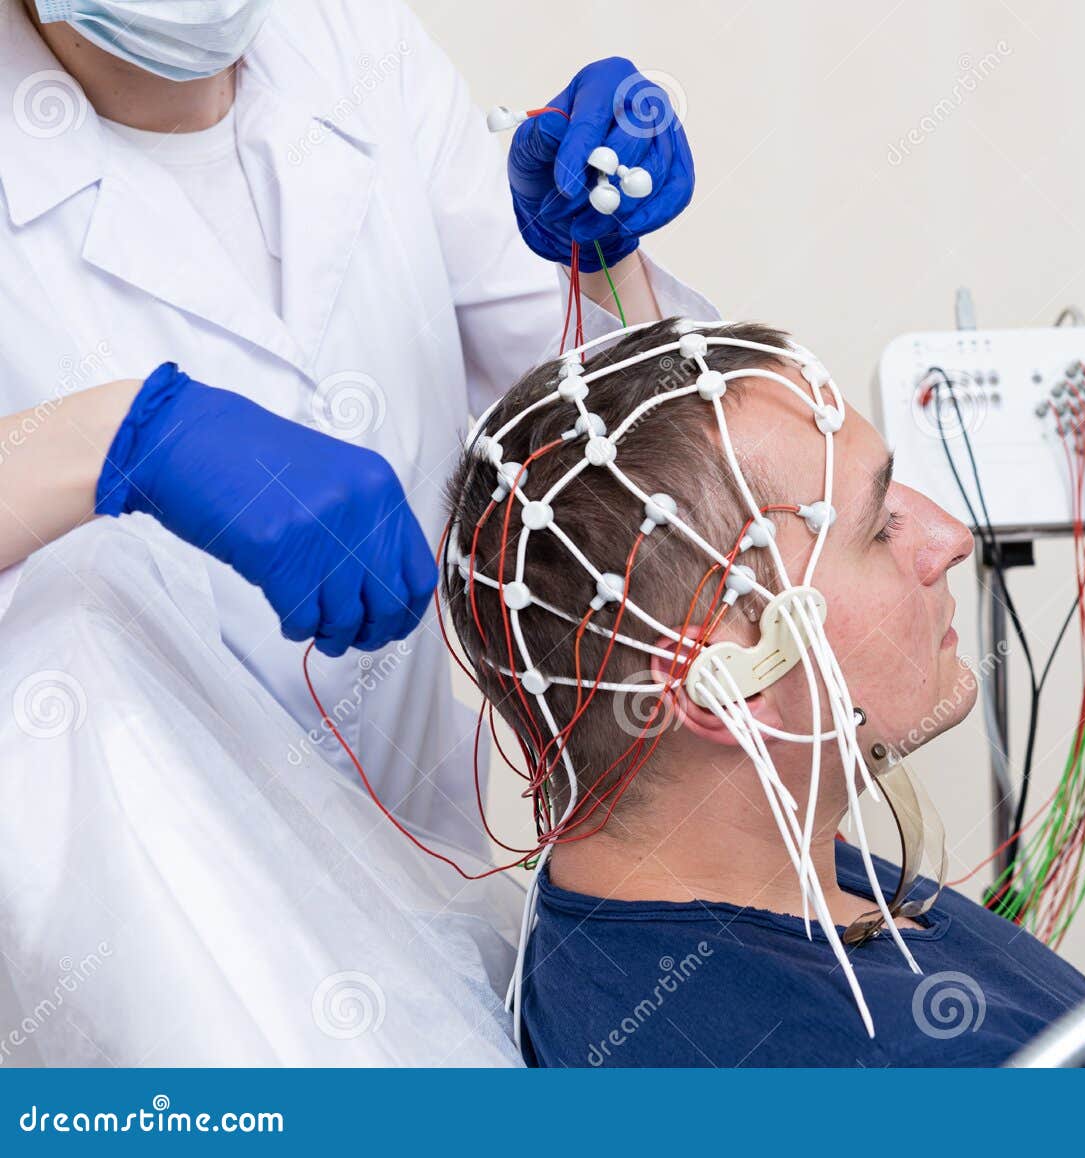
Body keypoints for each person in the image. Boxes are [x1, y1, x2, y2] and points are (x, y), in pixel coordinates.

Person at [0, 0, 711, 847]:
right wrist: (122, 441)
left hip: (425, 858)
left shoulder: (355, 43)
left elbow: (597, 430)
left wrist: (597, 255)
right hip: (122, 902)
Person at [441, 319, 1085, 1067]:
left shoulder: (678, 892)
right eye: (879, 527)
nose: (951, 536)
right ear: (730, 685)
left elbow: (643, 490)